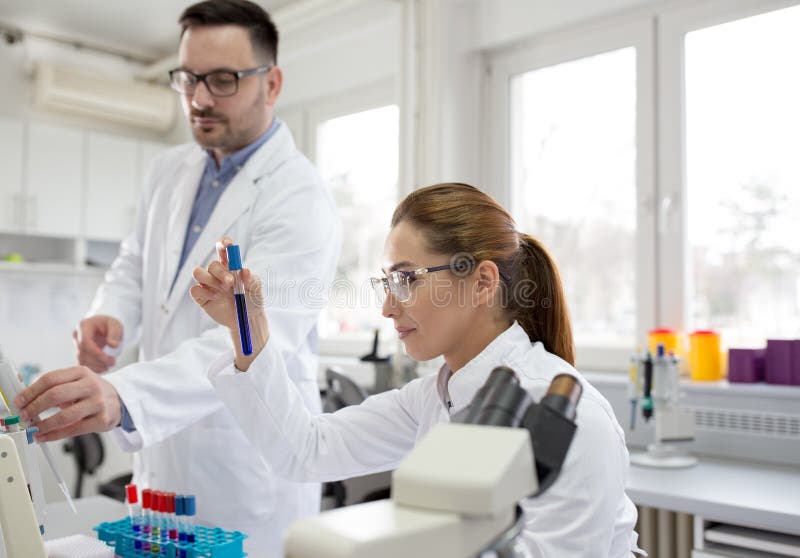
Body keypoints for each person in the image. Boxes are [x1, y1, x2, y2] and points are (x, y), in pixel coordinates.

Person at [14, 1, 340, 555]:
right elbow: (134, 265)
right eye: (188, 78)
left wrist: (123, 393)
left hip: (243, 469)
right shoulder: (171, 170)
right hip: (162, 468)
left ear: (272, 83)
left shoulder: (300, 197)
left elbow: (258, 338)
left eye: (223, 79)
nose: (200, 98)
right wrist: (111, 312)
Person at [191, 183, 641, 557]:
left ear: (483, 282)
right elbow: (307, 450)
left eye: (406, 280)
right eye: (387, 283)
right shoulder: (434, 397)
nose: (387, 307)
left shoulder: (566, 415)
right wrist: (247, 330)